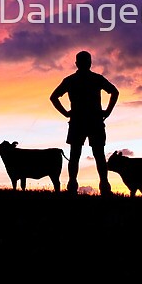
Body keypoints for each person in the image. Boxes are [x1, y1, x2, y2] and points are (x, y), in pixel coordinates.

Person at [49, 50, 119, 195]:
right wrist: (107, 111)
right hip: (91, 121)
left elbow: (54, 97)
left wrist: (66, 113)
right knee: (95, 154)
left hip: (81, 121)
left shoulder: (71, 80)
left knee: (78, 155)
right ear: (89, 63)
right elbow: (114, 92)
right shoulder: (95, 78)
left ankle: (76, 186)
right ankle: (101, 187)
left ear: (77, 63)